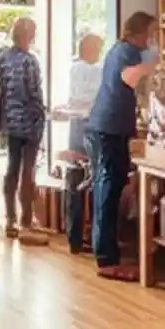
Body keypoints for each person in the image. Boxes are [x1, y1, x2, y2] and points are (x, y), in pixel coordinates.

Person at [87, 12, 157, 281]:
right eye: (152, 33)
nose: (154, 39)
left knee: (111, 188)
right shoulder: (125, 51)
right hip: (108, 129)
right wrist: (152, 63)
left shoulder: (123, 50)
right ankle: (106, 260)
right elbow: (129, 79)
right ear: (139, 33)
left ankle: (108, 252)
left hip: (112, 127)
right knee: (107, 189)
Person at [0, 17, 45, 238]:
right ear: (27, 35)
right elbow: (33, 92)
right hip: (30, 122)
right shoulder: (30, 61)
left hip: (10, 123)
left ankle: (10, 219)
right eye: (32, 33)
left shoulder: (2, 58)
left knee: (11, 169)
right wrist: (43, 112)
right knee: (28, 171)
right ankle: (26, 221)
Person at [52, 33, 103, 253]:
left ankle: (74, 236)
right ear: (90, 50)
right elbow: (97, 98)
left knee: (74, 181)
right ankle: (94, 236)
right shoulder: (94, 71)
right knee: (93, 180)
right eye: (97, 50)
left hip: (75, 128)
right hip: (90, 128)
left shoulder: (74, 69)